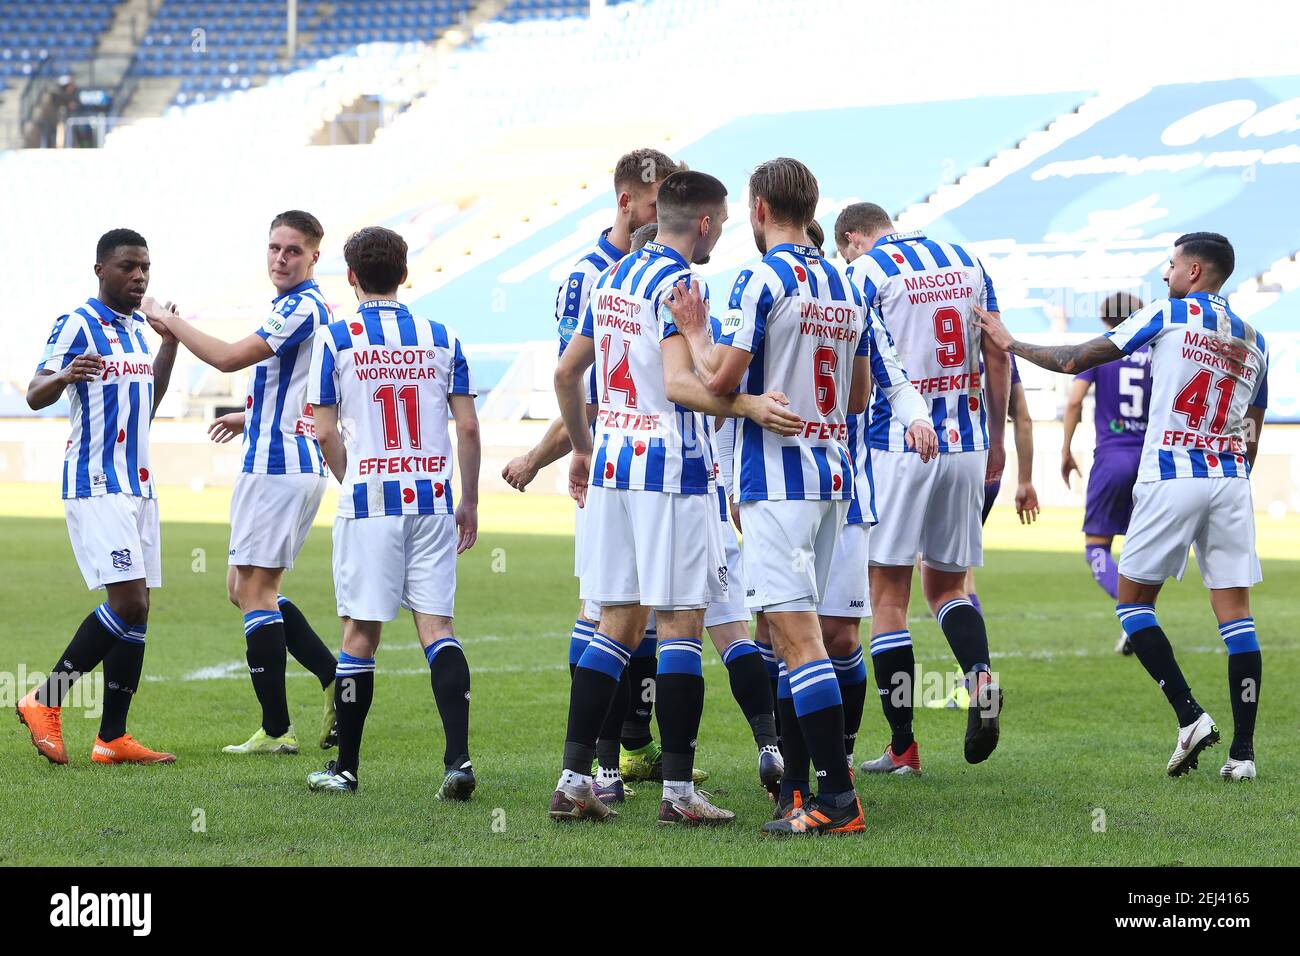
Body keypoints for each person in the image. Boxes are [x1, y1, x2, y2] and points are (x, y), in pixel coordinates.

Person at [672, 159, 937, 835]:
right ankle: (796, 786)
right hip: (834, 478)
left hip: (778, 484)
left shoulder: (759, 278)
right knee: (792, 634)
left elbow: (726, 380)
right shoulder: (846, 282)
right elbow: (857, 392)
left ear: (758, 210)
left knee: (797, 640)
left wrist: (697, 333)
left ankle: (837, 801)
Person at [548, 169, 801, 825]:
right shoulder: (680, 285)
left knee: (618, 624)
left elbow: (566, 372)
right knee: (684, 622)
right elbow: (686, 385)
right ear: (709, 223)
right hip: (672, 469)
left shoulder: (612, 278)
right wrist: (748, 404)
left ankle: (575, 779)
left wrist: (584, 444)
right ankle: (679, 794)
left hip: (614, 467)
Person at [975, 232, 1267, 781]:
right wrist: (1235, 469)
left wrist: (1012, 344)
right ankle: (1244, 754)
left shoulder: (1168, 314)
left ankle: (1190, 716)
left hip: (1172, 474)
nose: (1166, 274)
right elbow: (1252, 426)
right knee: (1237, 619)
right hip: (1230, 480)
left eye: (1173, 264)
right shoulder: (1257, 339)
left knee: (1134, 606)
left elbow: (1075, 359)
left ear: (1196, 272)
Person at [500, 149, 685, 792]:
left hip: (651, 465)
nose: (672, 217)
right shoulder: (591, 276)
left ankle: (630, 748)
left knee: (648, 615)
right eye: (662, 203)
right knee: (610, 609)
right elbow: (578, 385)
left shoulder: (667, 265)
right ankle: (601, 763)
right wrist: (564, 451)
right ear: (627, 200)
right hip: (614, 463)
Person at [144, 210, 340, 753]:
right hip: (277, 455)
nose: (281, 258)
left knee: (256, 592)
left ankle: (278, 729)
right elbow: (297, 385)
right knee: (244, 589)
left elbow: (229, 358)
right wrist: (250, 417)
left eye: (293, 251)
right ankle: (333, 680)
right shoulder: (298, 306)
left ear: (314, 256)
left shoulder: (303, 306)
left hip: (280, 467)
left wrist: (166, 320)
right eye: (274, 248)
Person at [303, 227, 482, 797]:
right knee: (438, 628)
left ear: (350, 277)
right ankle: (458, 761)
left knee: (360, 634)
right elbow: (469, 425)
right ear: (405, 274)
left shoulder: (334, 338)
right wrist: (469, 499)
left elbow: (325, 430)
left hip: (370, 500)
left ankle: (347, 769)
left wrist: (351, 477)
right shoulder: (441, 336)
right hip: (432, 497)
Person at [834, 201, 1010, 777]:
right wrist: (998, 443)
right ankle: (979, 676)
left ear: (856, 238)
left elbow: (860, 368)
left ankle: (904, 745)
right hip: (968, 441)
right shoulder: (967, 260)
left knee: (888, 599)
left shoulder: (865, 273)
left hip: (900, 443)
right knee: (949, 586)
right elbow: (998, 354)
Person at [18, 229, 179, 765]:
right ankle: (45, 700)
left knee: (141, 609)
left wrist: (170, 345)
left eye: (146, 268)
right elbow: (36, 394)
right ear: (100, 269)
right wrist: (65, 374)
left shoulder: (137, 330)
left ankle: (112, 738)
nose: (140, 277)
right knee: (127, 601)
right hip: (96, 482)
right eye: (129, 266)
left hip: (138, 483)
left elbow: (146, 404)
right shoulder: (77, 323)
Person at [1060, 292, 1149, 653]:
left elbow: (1074, 400)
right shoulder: (1157, 351)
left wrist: (1065, 449)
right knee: (1141, 548)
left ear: (1105, 320)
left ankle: (1133, 616)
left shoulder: (1101, 350)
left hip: (1112, 458)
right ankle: (1141, 616)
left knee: (1097, 549)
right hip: (1152, 461)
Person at [965, 355, 1039, 613]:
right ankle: (974, 635)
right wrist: (1025, 480)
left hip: (944, 458)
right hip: (989, 472)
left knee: (926, 564)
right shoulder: (1002, 352)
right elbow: (1023, 418)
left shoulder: (925, 330)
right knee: (962, 566)